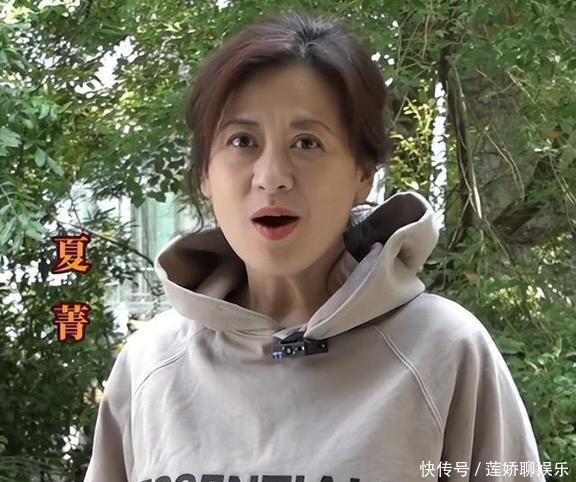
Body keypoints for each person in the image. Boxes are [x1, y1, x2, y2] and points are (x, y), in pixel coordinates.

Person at [83, 11, 546, 482]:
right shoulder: (150, 365)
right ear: (205, 173)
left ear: (363, 174)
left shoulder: (445, 350)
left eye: (307, 143)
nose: (272, 177)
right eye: (242, 141)